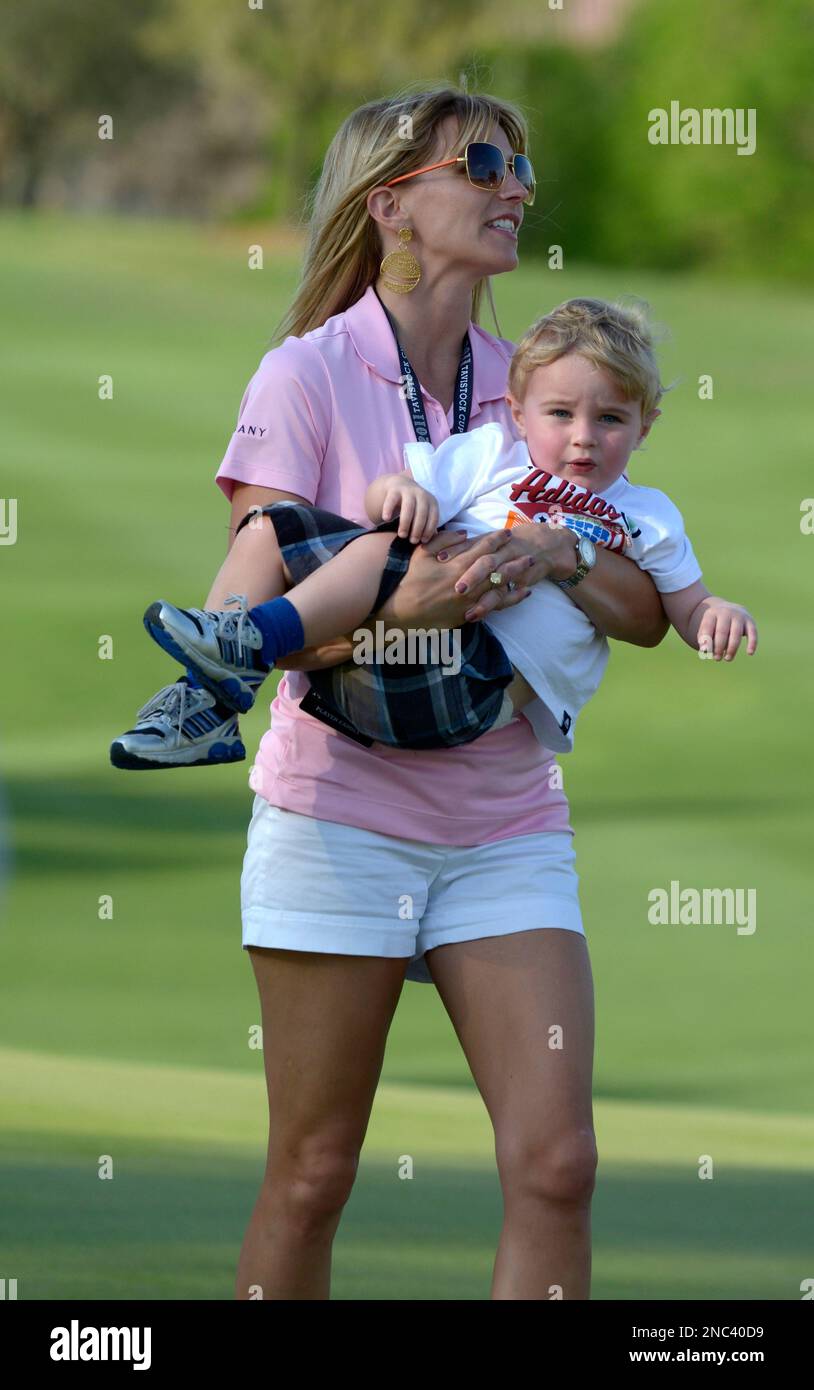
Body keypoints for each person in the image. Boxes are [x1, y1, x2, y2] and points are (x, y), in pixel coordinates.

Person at [112, 86, 673, 1300]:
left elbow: (646, 614)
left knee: (558, 1163)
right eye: (481, 162)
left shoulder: (540, 381)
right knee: (313, 1173)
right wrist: (394, 613)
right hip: (338, 819)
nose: (514, 183)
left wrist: (564, 554)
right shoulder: (307, 372)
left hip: (503, 820)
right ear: (394, 205)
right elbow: (245, 632)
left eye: (520, 163)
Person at [137, 296, 757, 756]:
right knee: (274, 529)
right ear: (518, 412)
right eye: (560, 413)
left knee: (386, 555)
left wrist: (716, 616)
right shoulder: (491, 456)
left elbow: (682, 608)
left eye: (612, 420)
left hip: (478, 681)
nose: (583, 438)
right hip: (384, 665)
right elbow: (389, 494)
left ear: (645, 425)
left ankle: (246, 642)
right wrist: (400, 491)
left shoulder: (648, 516)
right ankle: (207, 698)